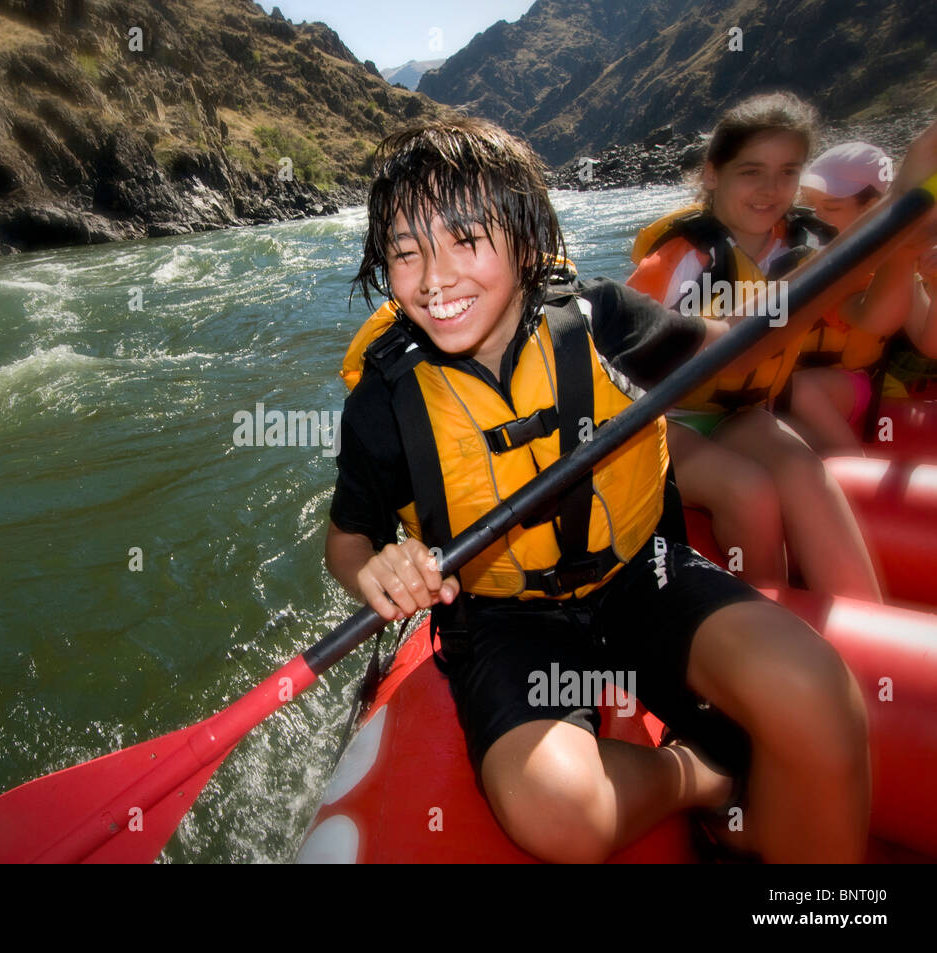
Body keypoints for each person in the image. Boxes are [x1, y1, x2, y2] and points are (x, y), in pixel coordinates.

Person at [319, 114, 937, 863]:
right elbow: (348, 538)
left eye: (466, 239)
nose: (436, 278)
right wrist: (373, 569)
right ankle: (700, 777)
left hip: (641, 572)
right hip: (507, 619)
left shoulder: (600, 319)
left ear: (524, 237)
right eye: (407, 252)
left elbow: (754, 337)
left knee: (815, 687)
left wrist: (897, 224)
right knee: (558, 811)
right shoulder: (385, 401)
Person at [627, 93, 879, 598]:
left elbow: (865, 326)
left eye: (787, 172)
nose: (770, 190)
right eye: (751, 172)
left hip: (741, 411)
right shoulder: (679, 259)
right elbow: (614, 349)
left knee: (804, 470)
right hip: (661, 421)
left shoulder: (802, 248)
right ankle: (772, 629)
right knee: (750, 493)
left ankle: (868, 636)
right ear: (713, 174)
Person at [790, 142, 937, 452]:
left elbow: (929, 342)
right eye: (811, 206)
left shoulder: (897, 265)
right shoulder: (805, 255)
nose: (816, 218)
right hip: (812, 398)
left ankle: (855, 465)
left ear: (871, 210)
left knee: (801, 388)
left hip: (847, 388)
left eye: (830, 208)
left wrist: (935, 285)